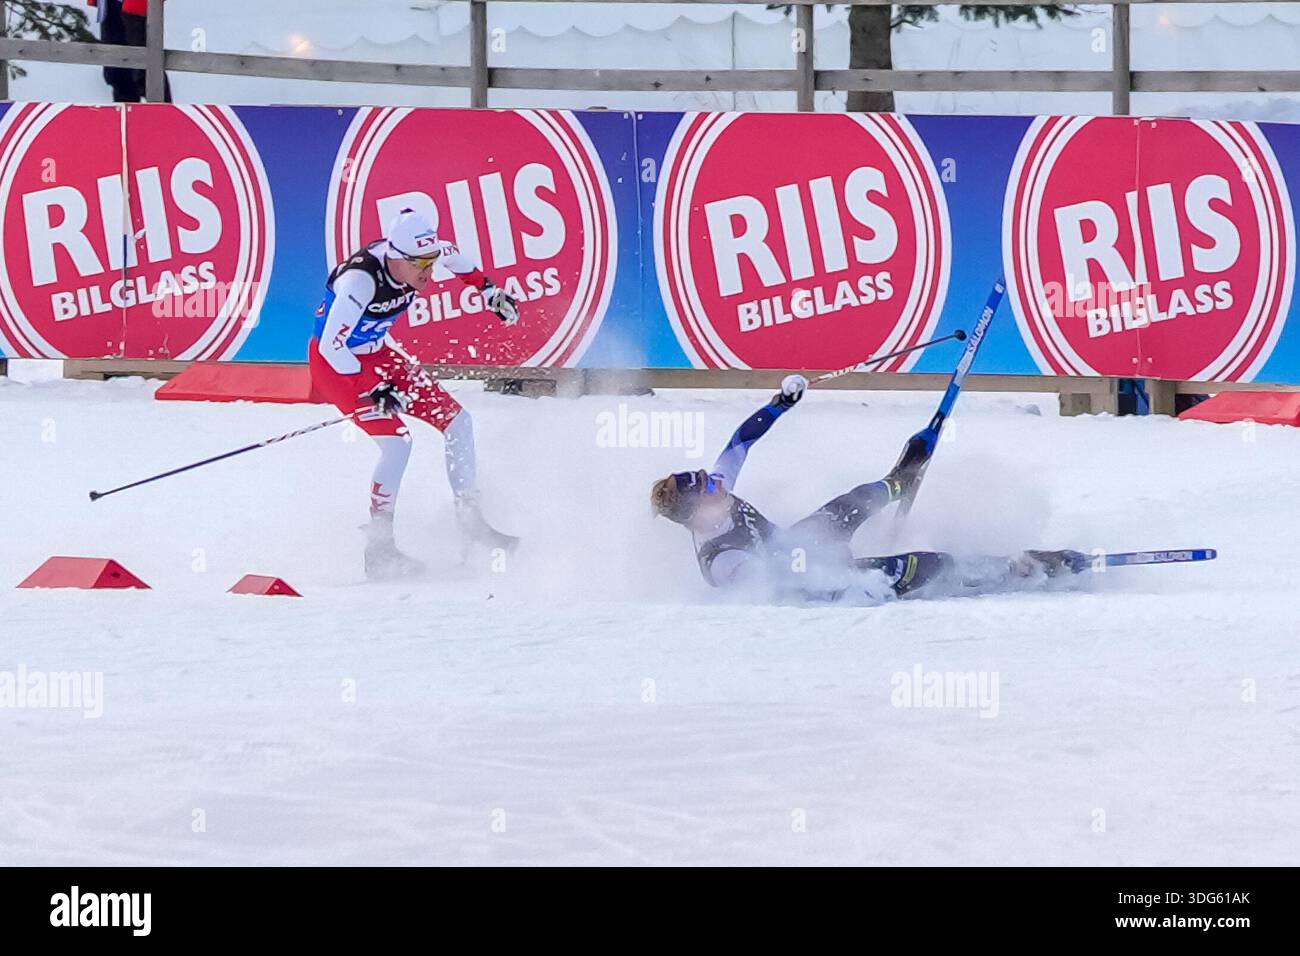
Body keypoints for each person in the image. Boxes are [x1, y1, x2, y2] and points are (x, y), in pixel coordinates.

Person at [650, 376, 1089, 603]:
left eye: (711, 479)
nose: (717, 483)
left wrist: (780, 402)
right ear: (696, 515)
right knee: (931, 566)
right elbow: (783, 593)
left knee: (850, 503)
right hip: (827, 583)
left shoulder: (716, 494)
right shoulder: (724, 562)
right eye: (709, 489)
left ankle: (899, 481)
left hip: (798, 544)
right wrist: (847, 574)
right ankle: (1021, 569)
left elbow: (741, 440)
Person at [310, 208, 519, 579]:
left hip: (378, 354)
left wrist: (489, 291)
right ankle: (380, 549)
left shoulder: (423, 256)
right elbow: (330, 347)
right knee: (398, 444)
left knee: (459, 421)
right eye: (422, 263)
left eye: (431, 260)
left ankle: (471, 525)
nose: (430, 271)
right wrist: (373, 388)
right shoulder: (359, 282)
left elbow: (456, 258)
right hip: (340, 368)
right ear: (396, 258)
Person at [89, 0, 172, 103]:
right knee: (116, 71)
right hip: (110, 5)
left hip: (138, 6)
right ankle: (125, 116)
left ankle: (165, 115)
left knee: (145, 71)